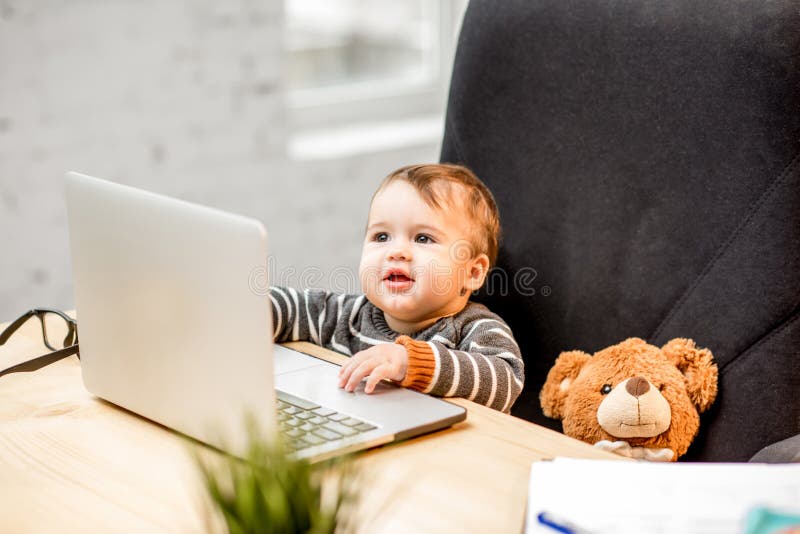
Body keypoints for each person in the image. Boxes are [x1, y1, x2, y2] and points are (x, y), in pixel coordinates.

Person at [269, 163, 524, 412]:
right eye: (381, 237)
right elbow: (292, 307)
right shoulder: (349, 315)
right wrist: (250, 312)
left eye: (423, 238)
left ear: (473, 272)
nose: (397, 251)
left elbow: (506, 381)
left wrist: (411, 362)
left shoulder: (476, 329)